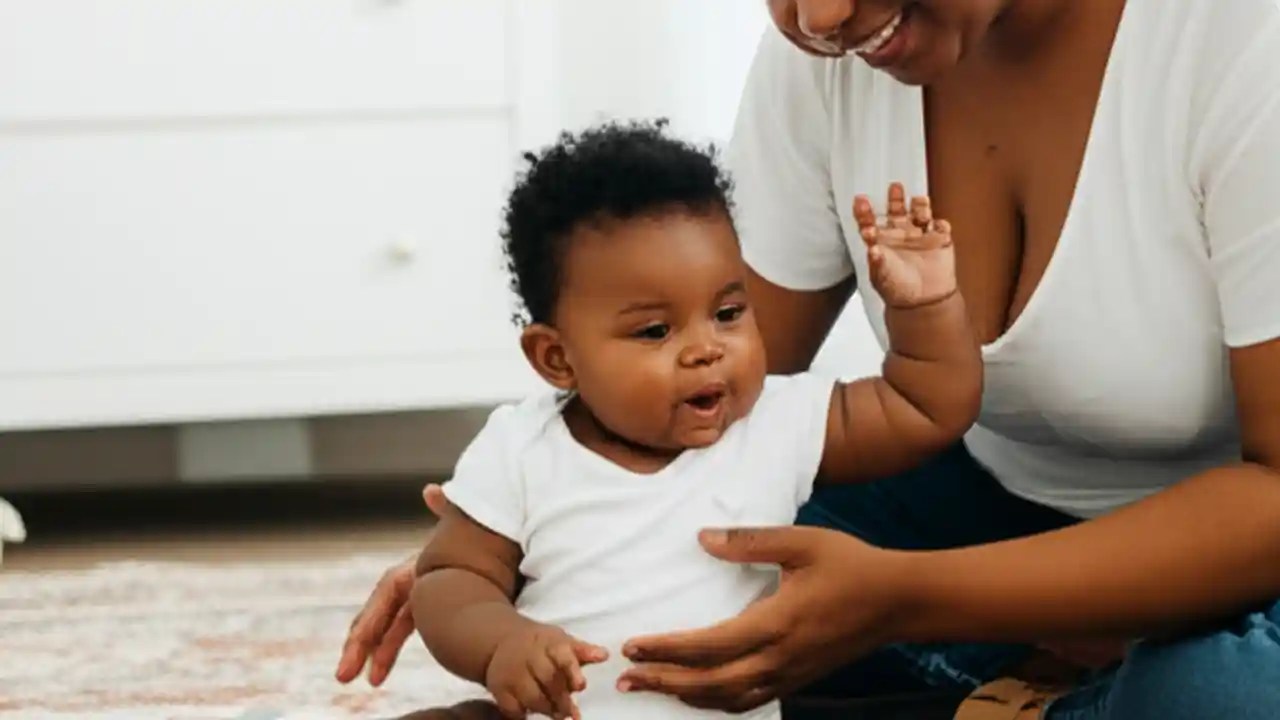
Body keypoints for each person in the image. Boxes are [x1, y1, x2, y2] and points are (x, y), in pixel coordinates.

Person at [339, 0, 1280, 717]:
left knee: (1218, 696)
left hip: (1249, 556)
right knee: (742, 555)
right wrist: (529, 544)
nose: (819, 17)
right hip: (985, 516)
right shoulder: (836, 49)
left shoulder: (1242, 43)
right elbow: (695, 401)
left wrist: (906, 602)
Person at [409, 120, 978, 720]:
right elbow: (450, 577)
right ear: (557, 358)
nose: (707, 348)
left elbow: (925, 409)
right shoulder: (522, 446)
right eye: (656, 330)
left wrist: (926, 307)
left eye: (728, 312)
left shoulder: (777, 423)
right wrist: (502, 642)